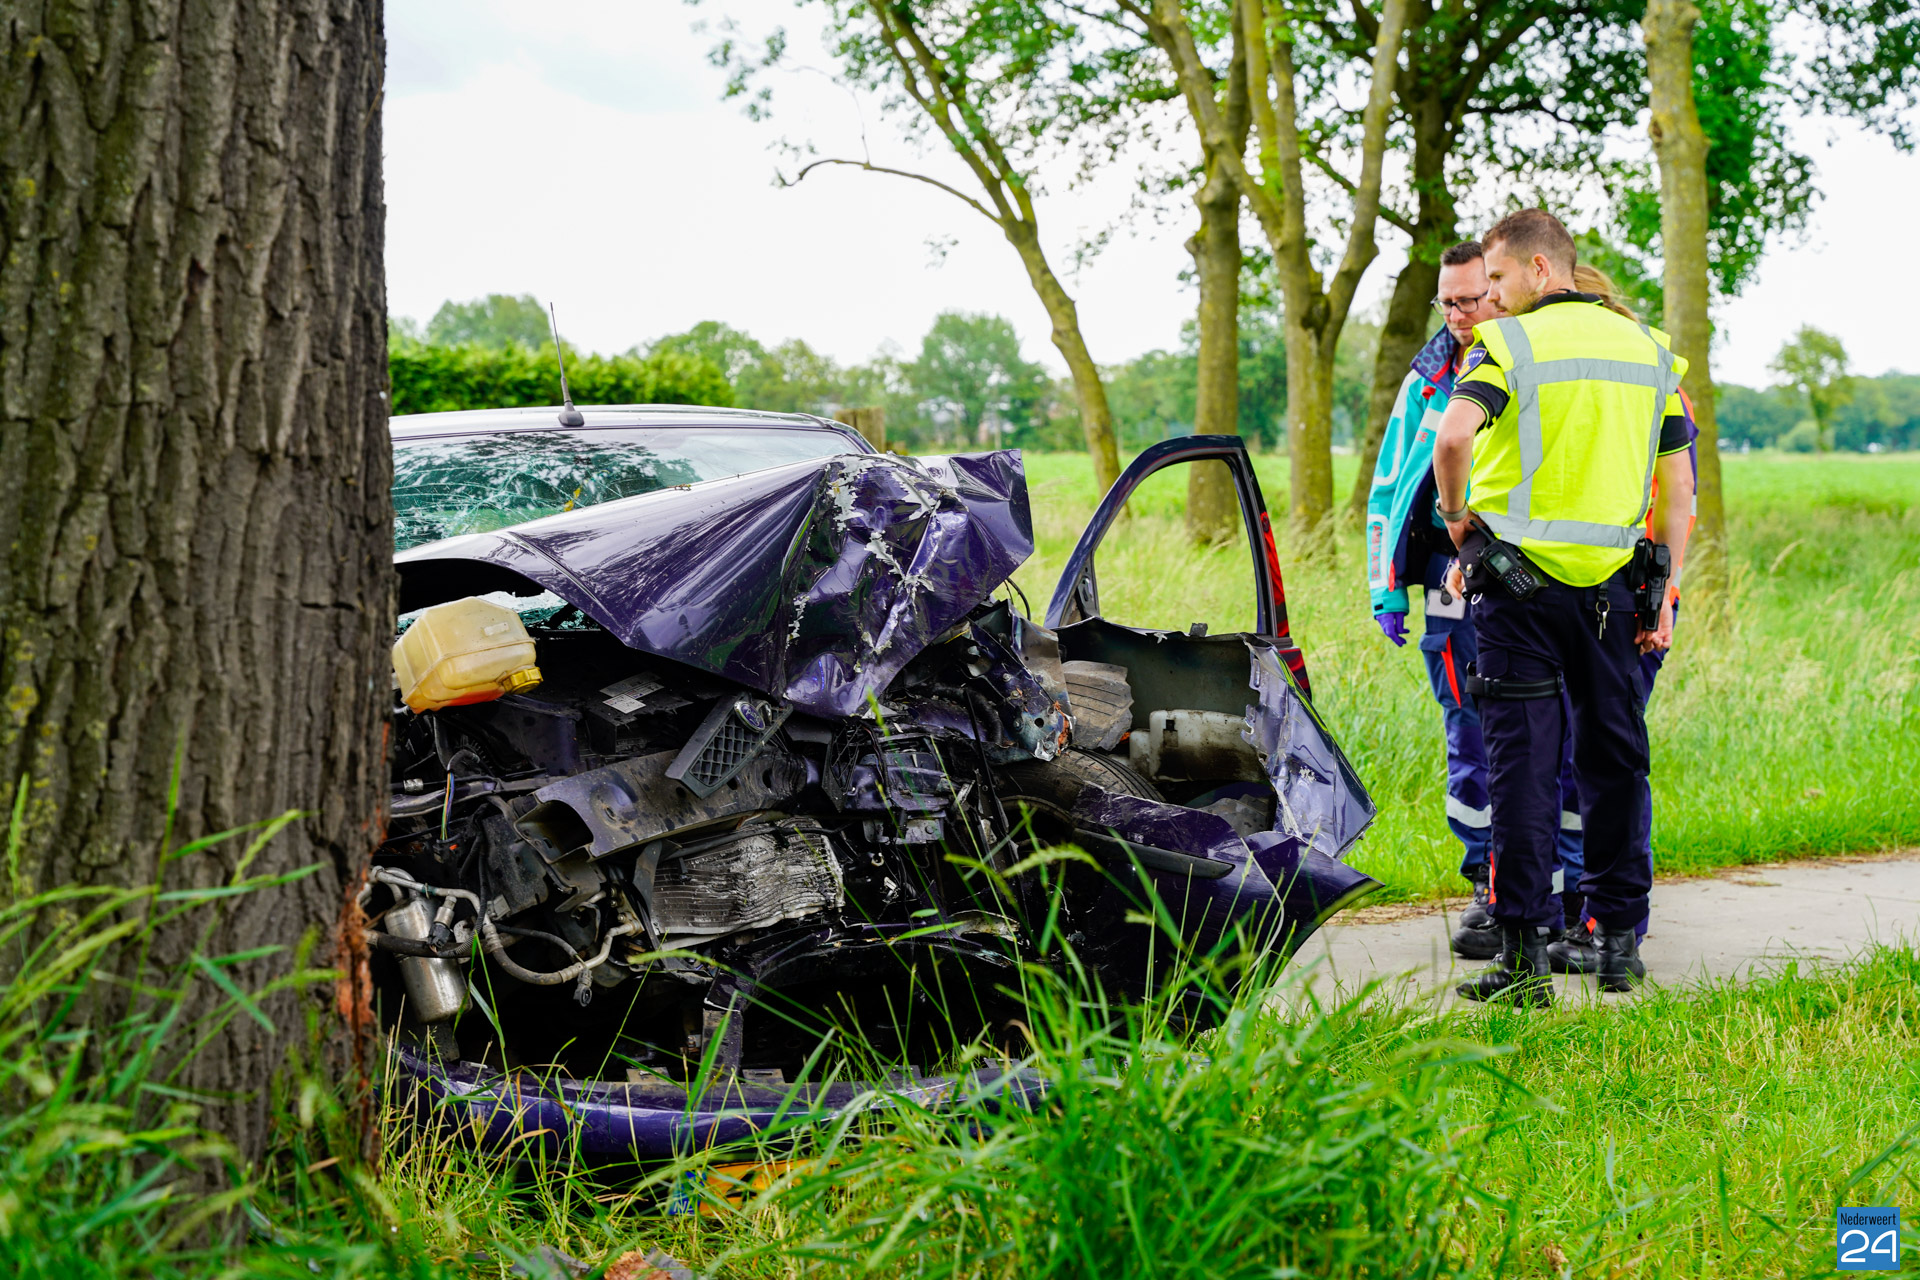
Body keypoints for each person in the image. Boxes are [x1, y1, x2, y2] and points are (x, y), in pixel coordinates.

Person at [1431, 208, 1694, 1005]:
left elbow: (1452, 439)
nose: (1493, 298)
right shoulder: (1650, 352)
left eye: (1501, 279)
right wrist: (1667, 587)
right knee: (1616, 763)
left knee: (1524, 768)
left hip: (1518, 593)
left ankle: (1521, 961)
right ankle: (1618, 946)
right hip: (1616, 595)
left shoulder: (1506, 346)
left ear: (1541, 272)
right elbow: (1679, 488)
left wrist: (1453, 518)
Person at [1365, 241, 1583, 961]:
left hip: (1528, 581)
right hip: (1448, 585)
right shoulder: (1427, 378)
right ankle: (1488, 888)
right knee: (1469, 738)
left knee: (1545, 740)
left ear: (1501, 289)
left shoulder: (1530, 362)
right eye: (1447, 301)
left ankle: (1557, 894)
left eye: (1472, 298)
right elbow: (1392, 485)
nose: (1459, 314)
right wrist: (1385, 584)